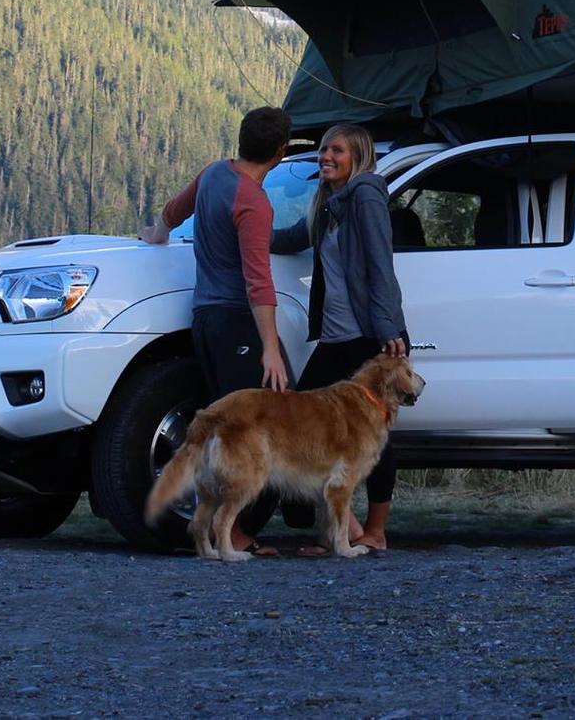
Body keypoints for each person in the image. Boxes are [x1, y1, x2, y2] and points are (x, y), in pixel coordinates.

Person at [143, 105, 293, 556]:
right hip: (235, 323)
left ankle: (215, 525)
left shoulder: (212, 175)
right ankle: (239, 532)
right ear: (281, 152)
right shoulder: (252, 201)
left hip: (204, 318)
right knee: (255, 429)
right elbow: (258, 280)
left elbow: (174, 210)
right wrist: (270, 347)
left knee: (224, 426)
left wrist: (157, 233)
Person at [270, 123, 408, 551]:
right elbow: (292, 238)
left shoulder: (365, 195)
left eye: (337, 150)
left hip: (369, 335)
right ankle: (342, 532)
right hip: (336, 336)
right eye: (323, 150)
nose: (325, 156)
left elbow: (380, 266)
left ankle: (376, 532)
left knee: (375, 434)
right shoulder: (329, 202)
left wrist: (388, 331)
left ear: (358, 157)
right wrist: (242, 232)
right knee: (307, 424)